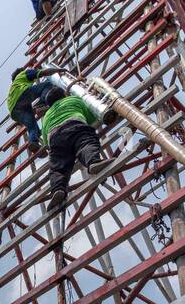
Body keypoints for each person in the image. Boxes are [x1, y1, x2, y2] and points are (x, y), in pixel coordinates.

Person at [39, 83, 110, 213]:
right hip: (74, 124)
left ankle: (58, 189)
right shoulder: (74, 100)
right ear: (64, 95)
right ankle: (93, 162)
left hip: (54, 137)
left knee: (57, 168)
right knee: (86, 143)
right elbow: (91, 116)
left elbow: (45, 142)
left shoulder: (46, 116)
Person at [6, 67, 53, 155]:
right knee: (47, 85)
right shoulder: (23, 74)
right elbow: (42, 72)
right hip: (21, 97)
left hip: (14, 112)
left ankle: (33, 143)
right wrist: (57, 70)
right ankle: (42, 103)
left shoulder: (13, 87)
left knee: (33, 128)